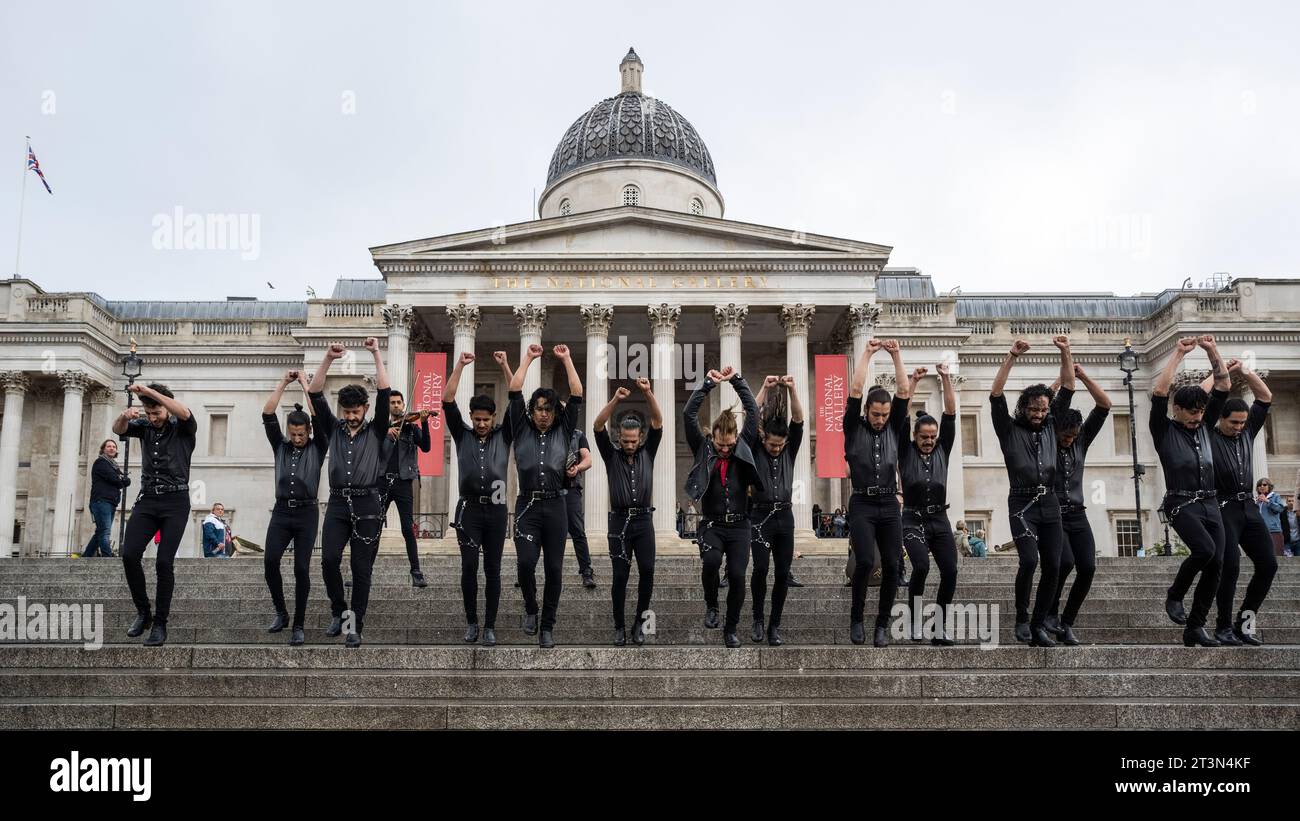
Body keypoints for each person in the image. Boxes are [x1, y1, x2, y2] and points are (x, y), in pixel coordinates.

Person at [307, 337, 394, 649]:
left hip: (368, 503)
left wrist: (375, 353)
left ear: (365, 409)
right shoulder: (333, 428)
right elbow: (315, 392)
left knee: (361, 569)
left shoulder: (376, 428)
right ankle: (337, 610)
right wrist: (328, 358)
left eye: (355, 411)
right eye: (346, 411)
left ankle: (353, 626)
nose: (350, 416)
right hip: (338, 504)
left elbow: (385, 391)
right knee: (329, 560)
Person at [989, 335, 1075, 647]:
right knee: (1028, 560)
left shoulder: (1052, 425)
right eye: (1033, 410)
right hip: (1022, 504)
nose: (1038, 414)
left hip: (1049, 501)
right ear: (1023, 407)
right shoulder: (1008, 429)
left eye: (1042, 410)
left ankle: (1039, 623)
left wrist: (1065, 352)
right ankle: (1022, 617)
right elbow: (996, 393)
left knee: (1055, 564)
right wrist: (1011, 356)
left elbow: (1067, 387)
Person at [1151, 335, 1231, 647]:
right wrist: (1178, 354)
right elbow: (1159, 392)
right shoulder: (1164, 429)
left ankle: (1195, 627)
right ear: (1178, 409)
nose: (1198, 418)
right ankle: (1175, 595)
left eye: (1201, 412)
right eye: (1192, 413)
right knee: (1205, 551)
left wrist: (1213, 350)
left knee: (1217, 564)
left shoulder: (1206, 422)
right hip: (1180, 503)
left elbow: (1223, 385)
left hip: (1211, 503)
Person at [1192, 362, 1277, 646]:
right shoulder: (1207, 435)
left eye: (1243, 422)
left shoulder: (1248, 432)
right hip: (1223, 508)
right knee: (1230, 568)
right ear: (1221, 420)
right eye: (1234, 423)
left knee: (1268, 565)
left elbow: (1264, 398)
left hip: (1248, 508)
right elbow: (1198, 400)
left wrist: (1246, 372)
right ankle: (1222, 627)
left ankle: (1245, 622)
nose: (1239, 427)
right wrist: (1216, 376)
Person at [507, 343, 584, 649]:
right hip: (527, 504)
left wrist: (565, 359)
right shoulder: (521, 428)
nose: (543, 414)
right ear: (532, 411)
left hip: (556, 504)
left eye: (548, 409)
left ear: (554, 412)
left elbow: (577, 392)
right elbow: (514, 390)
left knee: (554, 569)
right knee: (526, 564)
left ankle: (547, 625)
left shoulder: (564, 431)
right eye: (538, 409)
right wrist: (527, 358)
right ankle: (530, 608)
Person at [112, 382, 197, 648]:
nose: (153, 418)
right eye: (149, 414)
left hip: (176, 500)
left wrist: (150, 393)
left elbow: (183, 412)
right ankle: (143, 612)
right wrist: (124, 416)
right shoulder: (146, 427)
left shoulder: (182, 427)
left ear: (166, 407)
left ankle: (160, 623)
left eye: (156, 413)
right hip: (148, 499)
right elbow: (117, 430)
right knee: (129, 554)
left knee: (163, 562)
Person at [684, 366, 764, 648]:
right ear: (713, 436)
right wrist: (708, 384)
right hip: (713, 523)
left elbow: (753, 412)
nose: (725, 449)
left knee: (739, 577)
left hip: (740, 524)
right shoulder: (704, 447)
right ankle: (711, 605)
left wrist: (738, 381)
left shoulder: (744, 445)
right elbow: (688, 414)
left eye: (729, 445)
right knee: (711, 563)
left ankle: (731, 628)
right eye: (721, 444)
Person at [443, 350, 516, 646]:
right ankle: (472, 621)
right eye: (477, 419)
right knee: (469, 568)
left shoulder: (505, 435)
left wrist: (505, 365)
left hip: (497, 510)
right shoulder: (463, 436)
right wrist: (459, 365)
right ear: (471, 418)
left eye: (486, 419)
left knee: (493, 570)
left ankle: (489, 626)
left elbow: (518, 398)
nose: (482, 424)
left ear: (494, 417)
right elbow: (447, 401)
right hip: (469, 511)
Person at [843, 337, 910, 647]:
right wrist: (867, 353)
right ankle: (857, 618)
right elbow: (855, 390)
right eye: (876, 414)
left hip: (888, 501)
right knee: (866, 561)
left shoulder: (895, 427)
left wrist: (896, 356)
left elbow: (904, 393)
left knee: (894, 565)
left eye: (884, 415)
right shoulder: (853, 427)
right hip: (862, 503)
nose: (881, 420)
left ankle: (882, 624)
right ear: (867, 411)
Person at [1043, 364, 1111, 646]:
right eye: (1065, 436)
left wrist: (1083, 376)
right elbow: (1042, 401)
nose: (1068, 441)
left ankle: (1066, 621)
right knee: (1065, 562)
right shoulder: (1045, 440)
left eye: (1073, 437)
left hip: (1077, 513)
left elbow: (1105, 405)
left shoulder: (1081, 440)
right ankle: (1049, 612)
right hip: (1053, 514)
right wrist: (1062, 379)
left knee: (1087, 567)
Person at [592, 377, 663, 646]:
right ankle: (619, 626)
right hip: (619, 523)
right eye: (625, 440)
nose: (629, 444)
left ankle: (640, 624)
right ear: (619, 438)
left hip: (644, 521)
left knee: (647, 571)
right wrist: (615, 400)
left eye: (633, 440)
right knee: (620, 576)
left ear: (640, 438)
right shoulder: (611, 455)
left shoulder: (649, 452)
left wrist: (647, 392)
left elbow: (658, 420)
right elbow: (598, 425)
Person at [261, 370, 330, 647]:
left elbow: (319, 417)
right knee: (269, 562)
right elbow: (267, 414)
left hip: (306, 513)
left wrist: (304, 383)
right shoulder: (280, 445)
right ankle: (281, 612)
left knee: (302, 568)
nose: (297, 438)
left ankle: (299, 624)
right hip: (281, 512)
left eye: (301, 434)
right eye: (293, 434)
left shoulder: (319, 447)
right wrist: (283, 383)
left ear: (308, 432)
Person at [897, 362, 959, 645]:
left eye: (933, 438)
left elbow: (950, 413)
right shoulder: (905, 451)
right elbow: (900, 416)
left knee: (950, 570)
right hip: (912, 518)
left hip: (939, 519)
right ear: (915, 437)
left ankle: (940, 625)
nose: (929, 442)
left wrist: (945, 377)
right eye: (924, 437)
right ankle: (913, 621)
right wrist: (913, 383)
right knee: (920, 566)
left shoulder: (942, 448)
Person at [746, 374, 805, 646]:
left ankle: (774, 625)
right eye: (772, 444)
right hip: (759, 517)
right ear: (764, 439)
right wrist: (764, 388)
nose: (776, 449)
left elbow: (799, 420)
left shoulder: (788, 451)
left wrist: (792, 390)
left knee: (782, 573)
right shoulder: (756, 448)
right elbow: (749, 417)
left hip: (785, 516)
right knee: (759, 569)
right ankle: (758, 619)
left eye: (780, 445)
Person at [382, 389, 433, 588]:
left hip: (403, 481)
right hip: (382, 481)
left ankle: (416, 571)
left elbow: (427, 447)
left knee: (407, 528)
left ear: (403, 405)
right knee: (373, 528)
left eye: (398, 402)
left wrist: (424, 422)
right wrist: (385, 432)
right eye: (392, 402)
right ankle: (363, 571)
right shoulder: (380, 428)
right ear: (388, 406)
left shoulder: (411, 427)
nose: (396, 405)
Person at [563, 417, 596, 589]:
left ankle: (586, 571)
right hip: (549, 489)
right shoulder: (547, 435)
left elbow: (588, 459)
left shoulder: (578, 435)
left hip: (570, 488)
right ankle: (525, 573)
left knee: (577, 530)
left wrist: (577, 468)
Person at [83, 439, 130, 557]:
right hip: (101, 501)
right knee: (105, 531)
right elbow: (115, 479)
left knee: (100, 531)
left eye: (114, 446)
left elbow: (123, 480)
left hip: (110, 502)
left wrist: (123, 480)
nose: (112, 448)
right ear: (103, 449)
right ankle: (107, 557)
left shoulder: (112, 465)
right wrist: (122, 480)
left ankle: (86, 556)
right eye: (109, 446)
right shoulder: (101, 463)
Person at [1255, 478, 1286, 556]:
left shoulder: (1275, 496)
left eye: (1264, 485)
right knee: (1262, 556)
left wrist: (1267, 501)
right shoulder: (1256, 499)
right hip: (1259, 532)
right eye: (1259, 485)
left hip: (1273, 530)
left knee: (1276, 555)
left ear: (1269, 486)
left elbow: (1280, 509)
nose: (1262, 486)